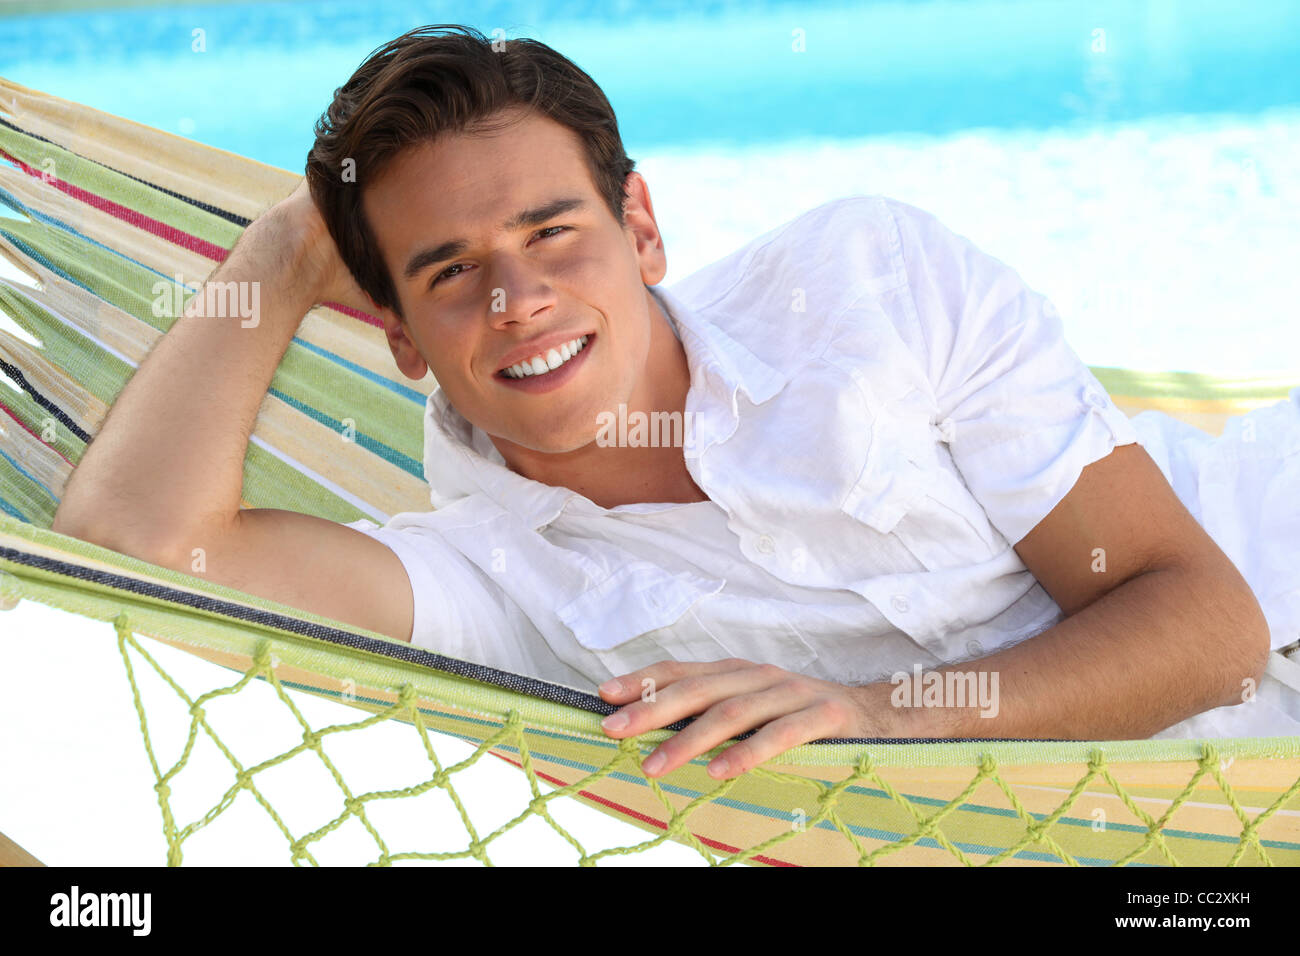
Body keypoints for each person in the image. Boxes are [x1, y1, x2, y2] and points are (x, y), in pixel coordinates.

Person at [52, 24, 1298, 783]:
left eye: (553, 231)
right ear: (400, 338)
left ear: (640, 226)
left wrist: (875, 715)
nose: (519, 300)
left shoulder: (861, 283)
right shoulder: (486, 578)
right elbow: (136, 554)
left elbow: (1206, 623)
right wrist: (280, 252)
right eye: (448, 272)